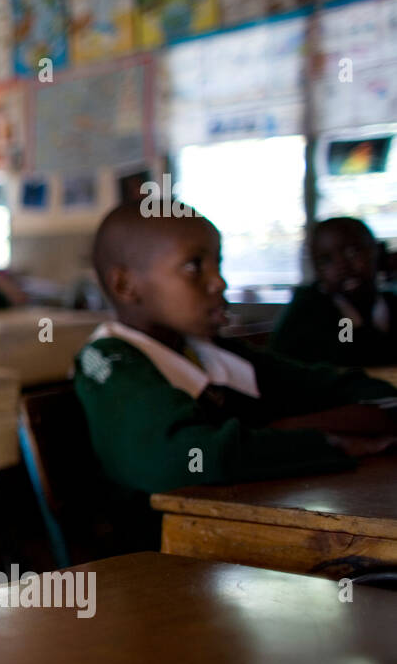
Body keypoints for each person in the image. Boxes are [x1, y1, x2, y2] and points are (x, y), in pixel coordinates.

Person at [74, 203, 397, 501]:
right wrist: (326, 439)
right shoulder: (109, 361)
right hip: (170, 550)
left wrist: (280, 431)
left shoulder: (209, 351)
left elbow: (342, 389)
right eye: (194, 266)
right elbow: (183, 458)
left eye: (219, 263)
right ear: (124, 285)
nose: (219, 282)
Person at [271, 216, 397, 366]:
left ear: (376, 251)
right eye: (326, 260)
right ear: (316, 271)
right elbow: (347, 358)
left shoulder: (387, 303)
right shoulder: (311, 310)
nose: (342, 266)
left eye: (352, 252)